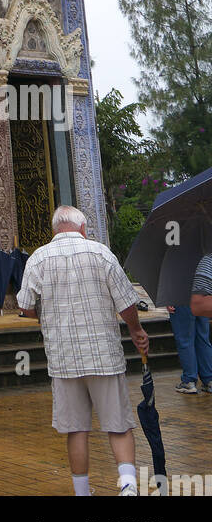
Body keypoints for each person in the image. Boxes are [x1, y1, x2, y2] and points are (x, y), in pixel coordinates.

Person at [17, 204, 149, 497]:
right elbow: (126, 302)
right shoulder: (101, 253)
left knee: (76, 429)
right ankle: (127, 487)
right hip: (104, 355)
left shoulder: (38, 258)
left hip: (63, 359)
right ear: (83, 228)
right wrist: (136, 330)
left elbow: (24, 307)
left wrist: (47, 316)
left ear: (54, 230)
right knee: (117, 424)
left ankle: (82, 492)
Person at [165, 288, 212, 393]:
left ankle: (189, 380)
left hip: (182, 296)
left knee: (185, 340)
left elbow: (173, 279)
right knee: (203, 339)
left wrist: (169, 298)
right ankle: (209, 379)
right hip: (203, 295)